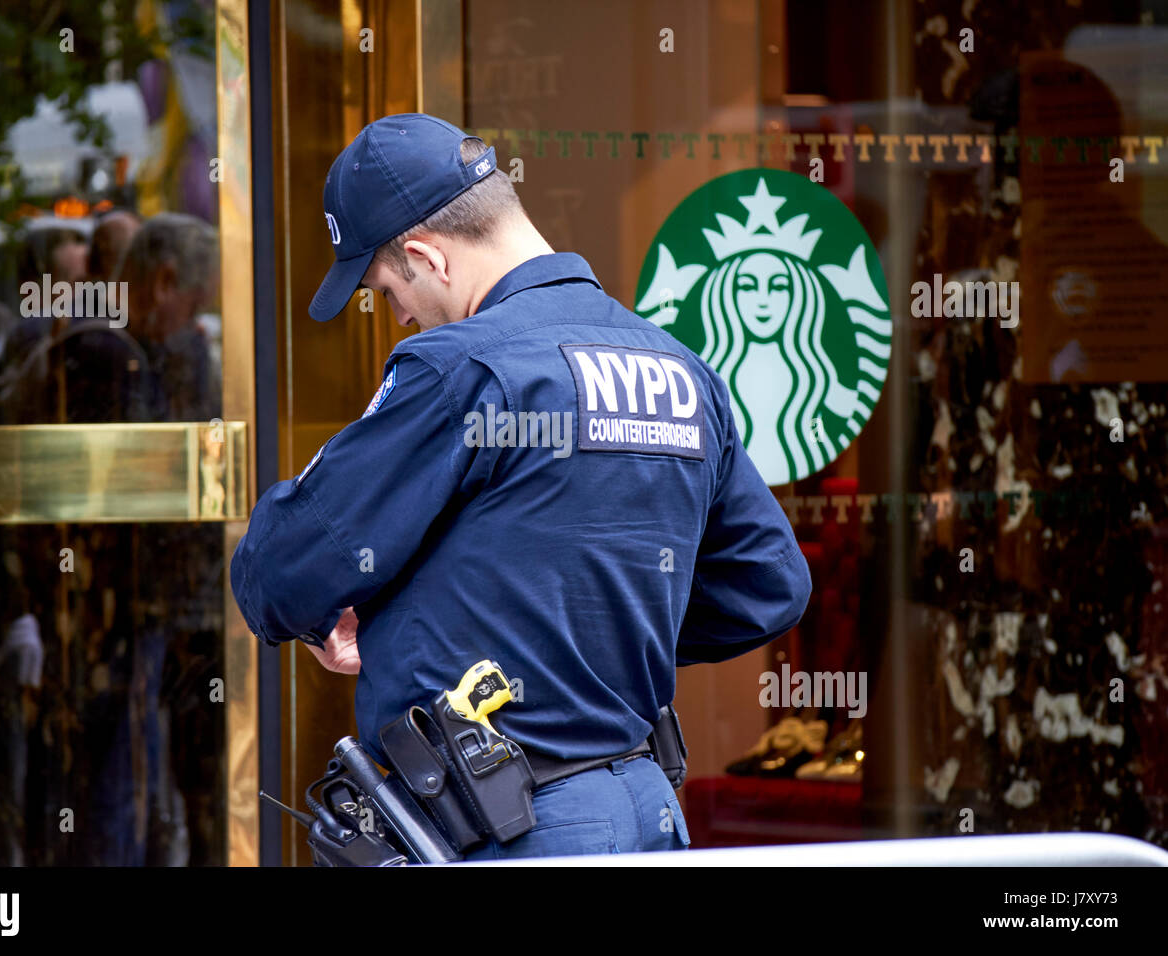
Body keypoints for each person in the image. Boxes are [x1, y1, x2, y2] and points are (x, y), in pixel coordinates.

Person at [230, 113, 812, 860]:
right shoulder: (679, 368)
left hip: (519, 826)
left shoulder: (461, 367)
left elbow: (282, 566)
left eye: (384, 289)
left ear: (425, 255)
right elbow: (770, 586)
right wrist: (598, 641)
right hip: (645, 810)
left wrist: (331, 620)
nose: (398, 317)